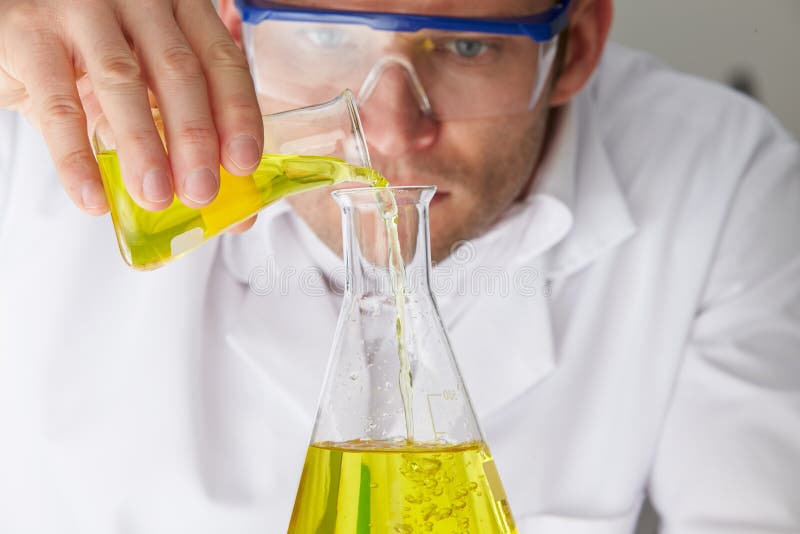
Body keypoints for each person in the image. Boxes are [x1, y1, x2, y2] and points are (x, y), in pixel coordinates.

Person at [0, 0, 797, 532]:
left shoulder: (722, 174)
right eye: (322, 34)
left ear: (577, 47)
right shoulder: (51, 114)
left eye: (466, 46)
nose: (385, 129)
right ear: (232, 27)